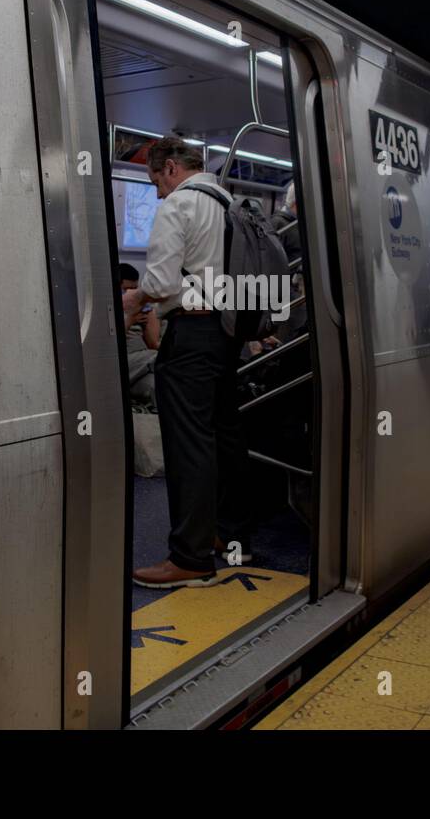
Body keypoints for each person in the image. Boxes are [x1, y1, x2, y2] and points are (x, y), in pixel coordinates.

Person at [121, 136, 250, 588]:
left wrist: (133, 298)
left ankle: (190, 558)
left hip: (192, 338)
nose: (157, 191)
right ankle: (228, 535)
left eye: (156, 180)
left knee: (188, 444)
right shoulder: (230, 203)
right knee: (222, 436)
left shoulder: (180, 206)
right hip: (228, 333)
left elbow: (157, 281)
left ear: (171, 168)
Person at [119, 263, 161, 410]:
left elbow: (153, 343)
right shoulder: (107, 307)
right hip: (124, 359)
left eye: (135, 289)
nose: (132, 293)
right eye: (127, 289)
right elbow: (110, 343)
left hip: (142, 363)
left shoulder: (143, 307)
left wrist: (147, 320)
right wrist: (130, 319)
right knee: (160, 357)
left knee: (157, 386)